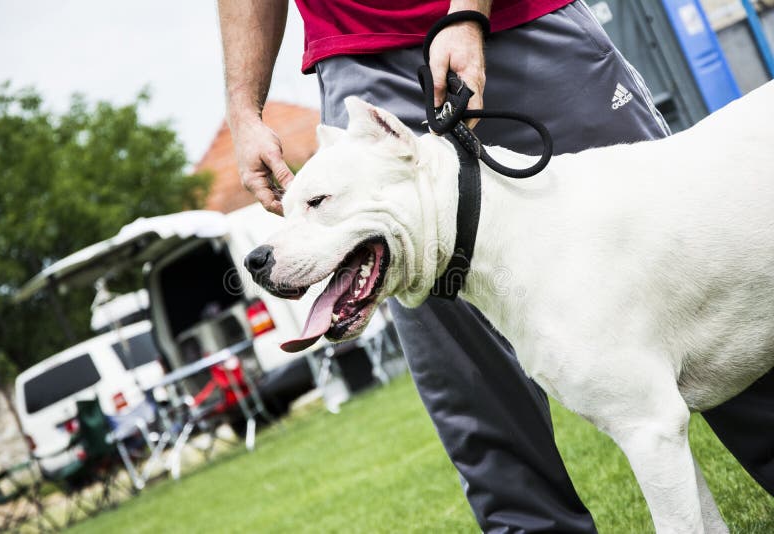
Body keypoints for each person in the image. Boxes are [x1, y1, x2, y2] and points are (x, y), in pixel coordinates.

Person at [218, 1, 774, 531]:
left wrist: (466, 12)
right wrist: (243, 111)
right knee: (482, 402)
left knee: (703, 244)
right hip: (357, 50)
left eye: (317, 205)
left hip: (524, 18)